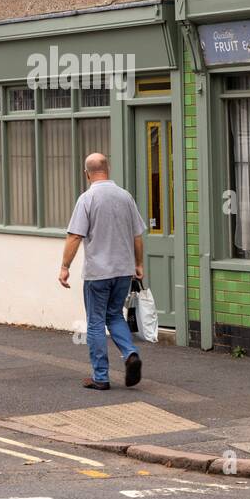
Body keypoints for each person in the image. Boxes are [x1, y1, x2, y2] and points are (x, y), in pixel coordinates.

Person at [58, 152, 146, 390]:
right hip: (123, 271)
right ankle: (130, 354)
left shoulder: (87, 199)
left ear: (87, 174)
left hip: (98, 273)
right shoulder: (125, 197)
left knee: (96, 322)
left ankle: (100, 376)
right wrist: (139, 264)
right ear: (108, 169)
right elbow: (137, 234)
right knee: (115, 315)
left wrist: (65, 266)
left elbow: (75, 236)